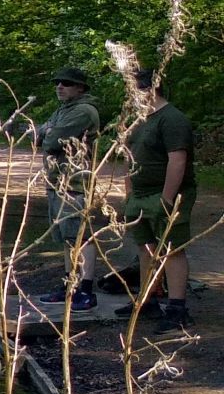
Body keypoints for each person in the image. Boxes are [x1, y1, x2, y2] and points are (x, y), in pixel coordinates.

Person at [116, 68, 199, 330]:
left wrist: (167, 199)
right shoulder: (138, 120)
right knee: (146, 248)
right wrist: (129, 194)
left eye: (133, 90)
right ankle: (147, 300)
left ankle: (177, 309)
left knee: (172, 249)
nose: (130, 96)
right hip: (139, 195)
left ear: (150, 89)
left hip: (167, 194)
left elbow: (178, 161)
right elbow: (129, 158)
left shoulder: (172, 119)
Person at [34, 67, 103, 312]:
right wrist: (47, 132)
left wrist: (48, 132)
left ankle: (85, 290)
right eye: (58, 82)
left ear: (80, 88)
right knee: (66, 238)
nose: (60, 86)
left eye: (66, 83)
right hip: (58, 182)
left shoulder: (83, 111)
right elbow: (39, 135)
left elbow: (51, 141)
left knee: (81, 237)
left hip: (75, 183)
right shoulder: (64, 109)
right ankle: (69, 286)